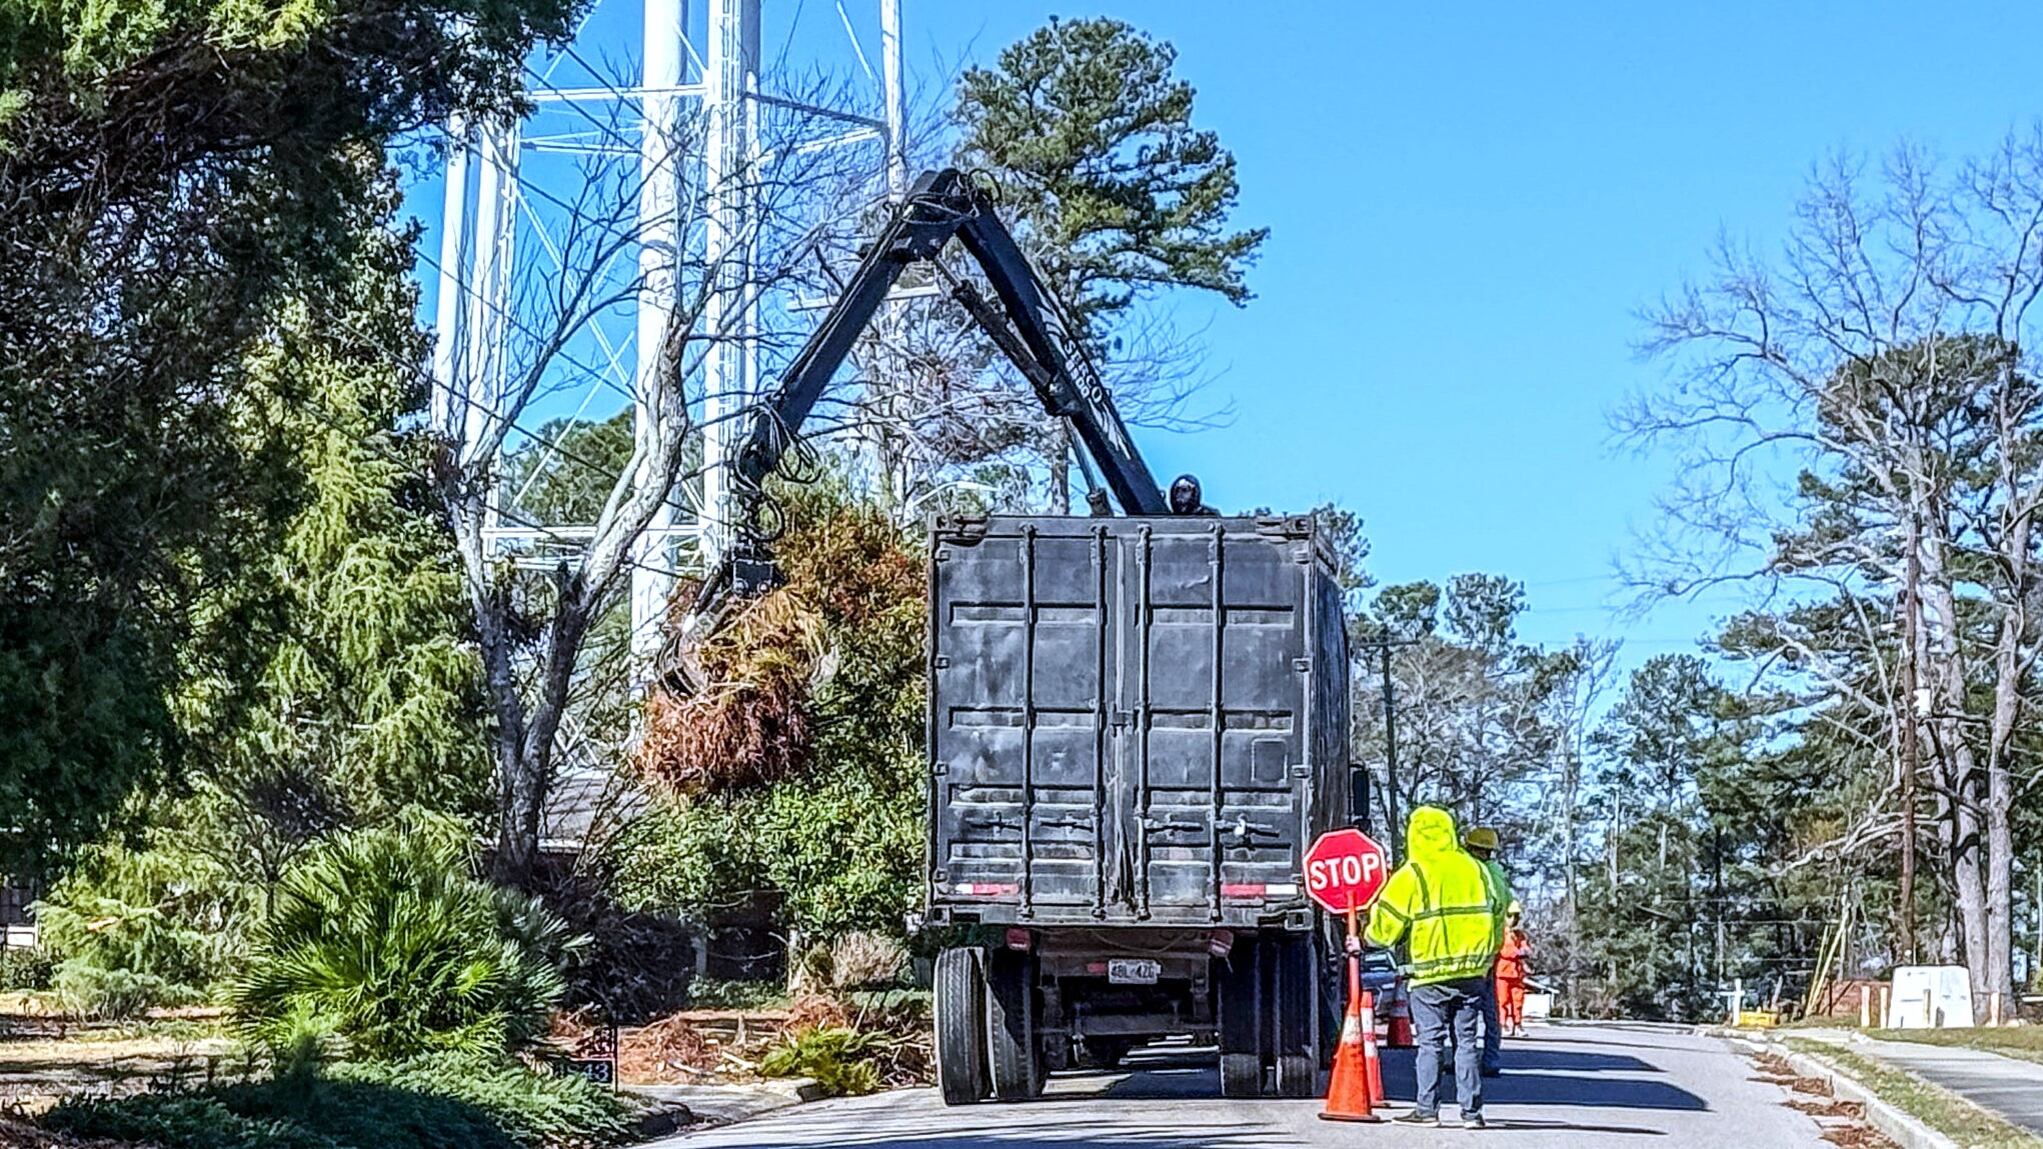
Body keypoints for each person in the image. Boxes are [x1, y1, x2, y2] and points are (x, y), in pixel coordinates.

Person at [1357, 805, 1509, 1129]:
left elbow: (1385, 927)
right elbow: (1498, 913)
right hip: (1472, 973)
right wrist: (1487, 958)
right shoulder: (1478, 869)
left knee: (1430, 1043)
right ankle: (1472, 1114)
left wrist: (1366, 939)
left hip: (1429, 977)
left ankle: (1427, 1110)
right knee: (1466, 1043)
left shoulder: (1415, 873)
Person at [1463, 826, 1515, 1076]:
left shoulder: (1474, 873)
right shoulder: (1496, 873)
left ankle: (1474, 1059)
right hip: (1487, 950)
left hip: (1476, 951)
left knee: (1467, 1010)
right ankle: (1488, 1059)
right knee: (1486, 1009)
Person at [1497, 912, 1532, 1037]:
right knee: (1503, 1001)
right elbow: (1504, 951)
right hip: (1502, 972)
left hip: (1517, 973)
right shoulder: (1500, 933)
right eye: (1510, 916)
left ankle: (1517, 1024)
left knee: (1518, 1001)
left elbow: (1526, 948)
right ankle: (1503, 1024)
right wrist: (1518, 952)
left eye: (1516, 917)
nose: (1513, 920)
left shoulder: (1519, 934)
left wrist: (1525, 951)